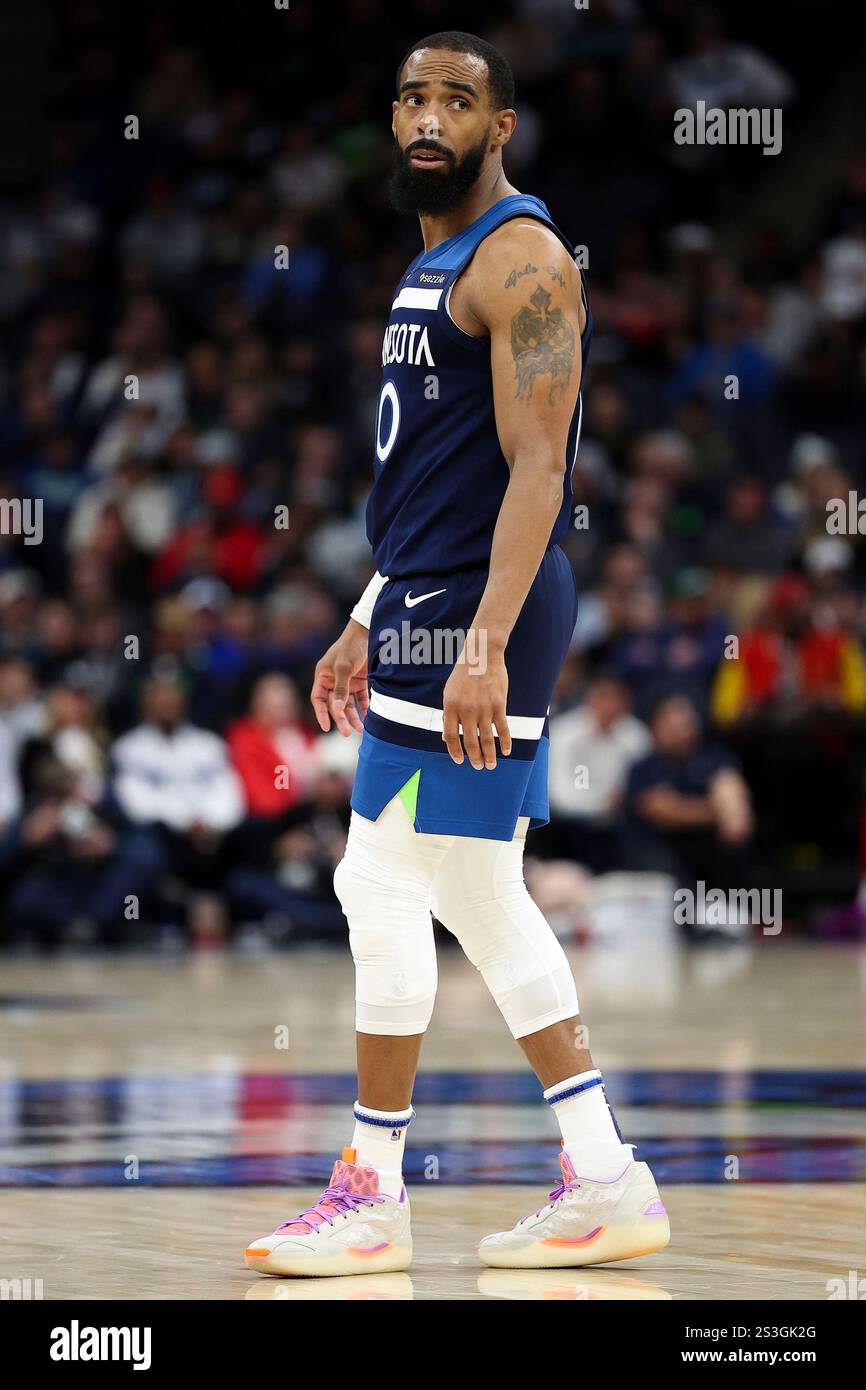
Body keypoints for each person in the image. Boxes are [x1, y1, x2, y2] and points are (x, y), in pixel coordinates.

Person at [245, 30, 669, 1279]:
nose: (430, 117)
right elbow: (431, 480)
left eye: (458, 101)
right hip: (426, 599)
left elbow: (540, 469)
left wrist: (476, 639)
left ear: (501, 128)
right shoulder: (432, 254)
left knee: (383, 885)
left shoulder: (522, 259)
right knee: (462, 891)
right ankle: (600, 1177)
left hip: (483, 609)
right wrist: (368, 611)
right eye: (413, 98)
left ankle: (375, 1187)